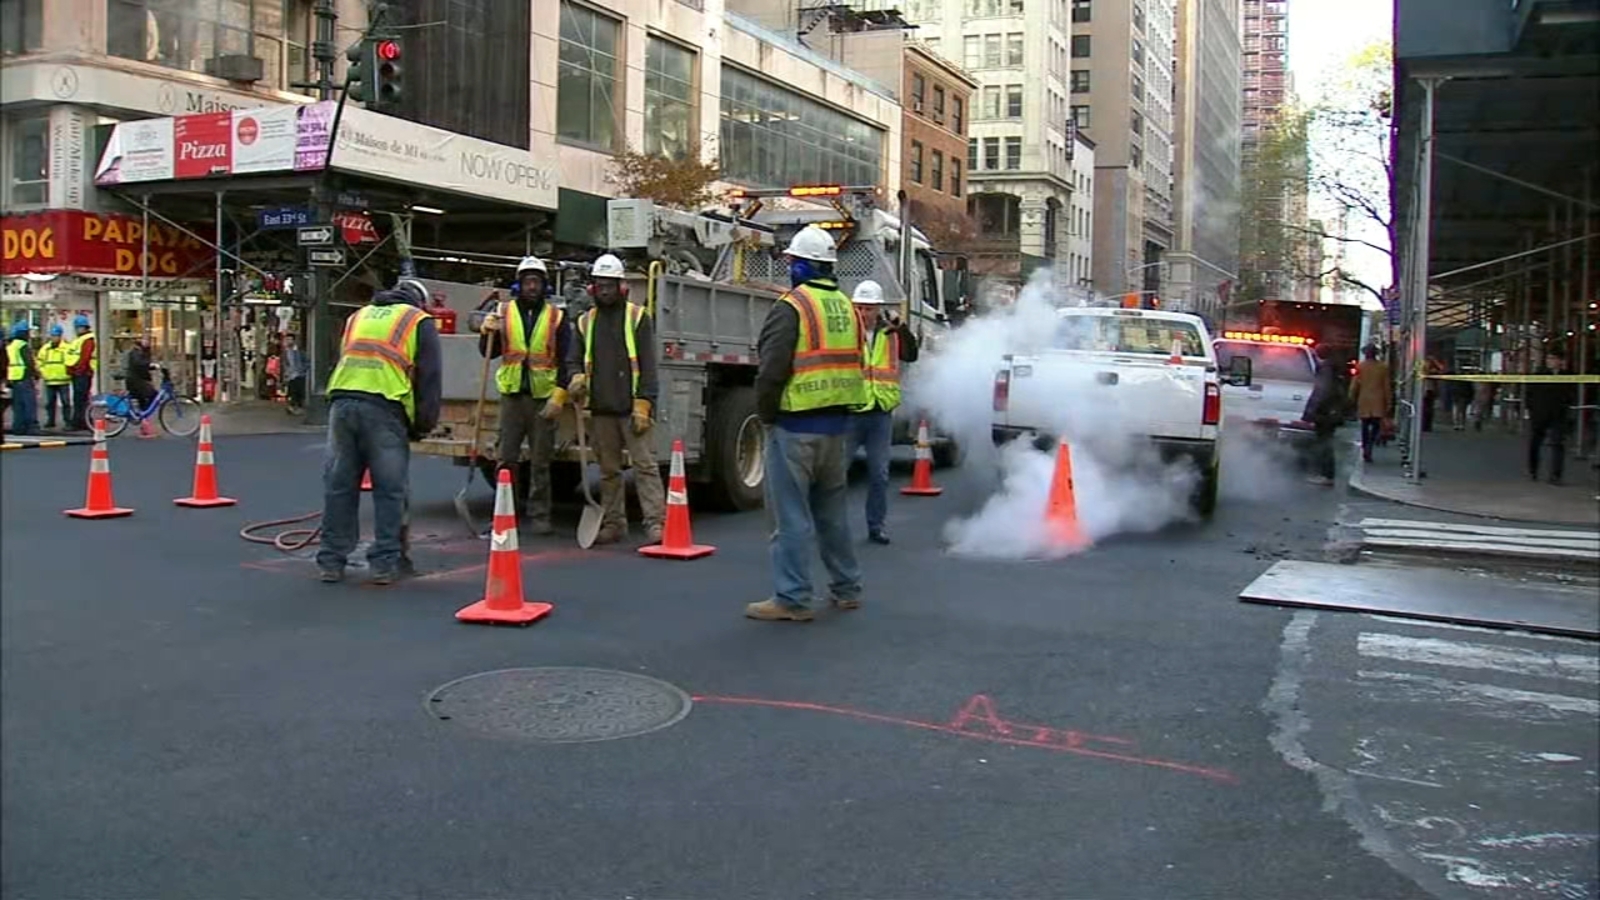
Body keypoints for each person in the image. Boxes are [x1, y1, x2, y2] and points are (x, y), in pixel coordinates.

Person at [747, 225, 868, 622]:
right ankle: (847, 588)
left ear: (803, 266)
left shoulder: (793, 307)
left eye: (793, 262)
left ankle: (793, 598)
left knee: (790, 518)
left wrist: (767, 416)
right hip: (837, 427)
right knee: (833, 515)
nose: (790, 269)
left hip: (795, 426)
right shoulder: (848, 307)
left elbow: (771, 371)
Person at [317, 278, 443, 585]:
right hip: (384, 405)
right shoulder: (418, 320)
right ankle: (385, 563)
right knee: (389, 490)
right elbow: (429, 377)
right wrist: (423, 424)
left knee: (339, 485)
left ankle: (331, 561)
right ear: (420, 302)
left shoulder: (358, 316)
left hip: (342, 402)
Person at [570, 253, 666, 545]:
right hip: (601, 409)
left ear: (621, 287)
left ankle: (656, 523)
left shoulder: (637, 318)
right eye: (600, 285)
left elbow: (648, 365)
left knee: (645, 466)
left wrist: (644, 403)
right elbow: (573, 360)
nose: (605, 291)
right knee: (609, 471)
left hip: (631, 407)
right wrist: (575, 377)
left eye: (610, 285)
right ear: (592, 288)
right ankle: (614, 523)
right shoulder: (585, 322)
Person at [478, 256, 577, 532]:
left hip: (542, 398)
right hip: (513, 396)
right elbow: (489, 352)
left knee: (541, 461)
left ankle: (540, 515)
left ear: (544, 285)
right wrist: (487, 332)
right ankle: (504, 512)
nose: (531, 287)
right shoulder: (504, 313)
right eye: (527, 282)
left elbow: (566, 359)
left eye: (536, 282)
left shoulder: (556, 317)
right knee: (506, 459)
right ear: (519, 285)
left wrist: (560, 393)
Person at [845, 279, 919, 544]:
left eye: (869, 309)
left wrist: (902, 328)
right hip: (851, 410)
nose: (863, 313)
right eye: (859, 308)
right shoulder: (845, 331)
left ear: (878, 309)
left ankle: (876, 526)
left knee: (879, 474)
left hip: (880, 412)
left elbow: (910, 355)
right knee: (835, 475)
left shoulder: (890, 333)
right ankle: (829, 526)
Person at [1526, 350, 1576, 485]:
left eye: (1553, 358)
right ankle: (1533, 469)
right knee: (1535, 442)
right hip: (1540, 414)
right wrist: (1531, 410)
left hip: (1559, 414)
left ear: (1560, 361)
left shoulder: (1568, 376)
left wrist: (1568, 405)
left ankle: (1556, 475)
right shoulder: (1539, 375)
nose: (1550, 361)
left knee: (1558, 443)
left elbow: (1572, 392)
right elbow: (1530, 393)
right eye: (1548, 358)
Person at [1299, 344, 1344, 487]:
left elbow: (1321, 392)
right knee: (1326, 442)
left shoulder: (1326, 369)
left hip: (1324, 413)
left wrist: (1309, 413)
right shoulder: (1332, 367)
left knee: (1324, 443)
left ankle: (1326, 475)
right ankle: (1326, 474)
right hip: (1330, 412)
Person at [1348, 344, 1390, 463]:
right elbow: (1386, 386)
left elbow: (1354, 384)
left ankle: (1365, 445)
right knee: (1376, 426)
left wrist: (1351, 397)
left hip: (1364, 400)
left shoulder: (1361, 367)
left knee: (1364, 426)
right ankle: (1370, 445)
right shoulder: (1383, 367)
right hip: (1378, 401)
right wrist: (1389, 402)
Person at [5, 322, 38, 435]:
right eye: (27, 332)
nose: (28, 335)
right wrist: (35, 374)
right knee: (29, 403)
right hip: (24, 376)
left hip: (13, 378)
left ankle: (18, 428)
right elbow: (29, 362)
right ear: (23, 333)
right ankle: (31, 427)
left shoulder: (10, 346)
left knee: (18, 405)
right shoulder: (23, 345)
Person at [64, 315, 96, 431]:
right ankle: (84, 421)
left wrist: (78, 370)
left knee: (80, 399)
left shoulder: (87, 340)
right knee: (81, 399)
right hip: (80, 373)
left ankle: (79, 422)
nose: (77, 329)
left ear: (84, 328)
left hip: (82, 373)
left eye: (78, 327)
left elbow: (84, 358)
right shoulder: (81, 339)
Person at [37, 325, 72, 429]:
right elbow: (39, 362)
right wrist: (44, 373)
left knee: (65, 402)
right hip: (50, 380)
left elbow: (71, 361)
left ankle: (67, 421)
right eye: (52, 335)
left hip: (63, 380)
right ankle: (50, 421)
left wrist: (68, 373)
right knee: (50, 403)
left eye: (56, 336)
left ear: (60, 336)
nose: (54, 338)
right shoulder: (45, 348)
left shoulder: (66, 348)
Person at [124, 336, 157, 412]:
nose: (147, 342)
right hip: (135, 380)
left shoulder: (144, 351)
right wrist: (150, 365)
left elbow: (144, 364)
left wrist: (153, 366)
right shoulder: (136, 352)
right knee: (153, 394)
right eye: (145, 340)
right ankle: (144, 412)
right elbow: (139, 363)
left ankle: (142, 414)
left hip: (138, 379)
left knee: (142, 398)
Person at [282, 334, 308, 414]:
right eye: (287, 340)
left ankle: (298, 407)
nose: (288, 341)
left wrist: (302, 370)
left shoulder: (299, 351)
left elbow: (306, 361)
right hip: (290, 375)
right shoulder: (286, 352)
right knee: (291, 392)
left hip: (299, 374)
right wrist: (286, 372)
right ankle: (292, 406)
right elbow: (285, 363)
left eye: (290, 339)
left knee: (299, 391)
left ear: (294, 340)